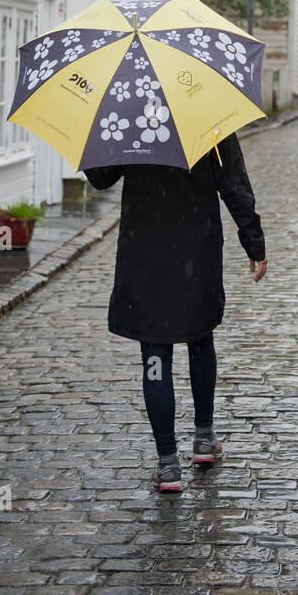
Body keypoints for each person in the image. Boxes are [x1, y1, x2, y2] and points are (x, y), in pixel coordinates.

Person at [84, 135, 266, 494]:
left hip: (145, 250)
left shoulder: (129, 119)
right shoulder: (210, 117)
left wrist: (100, 136)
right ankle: (203, 438)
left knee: (155, 354)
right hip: (196, 250)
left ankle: (168, 463)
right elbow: (234, 185)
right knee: (200, 339)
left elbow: (100, 176)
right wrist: (254, 240)